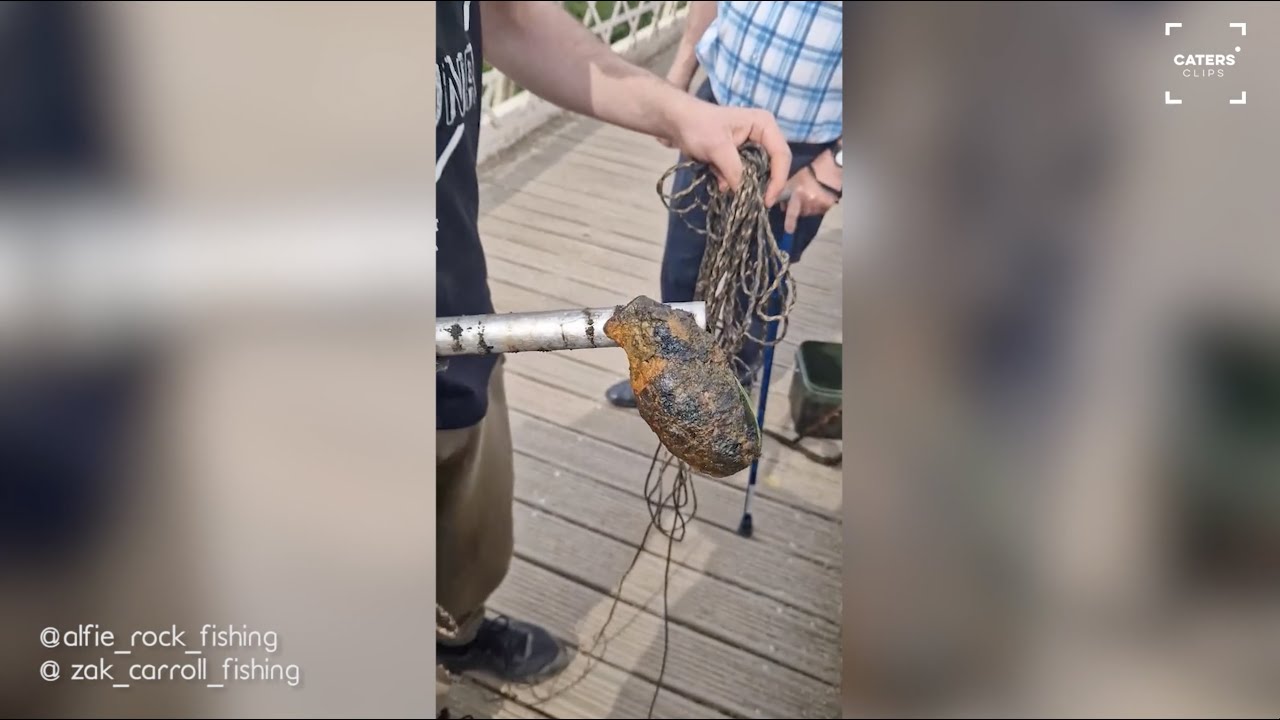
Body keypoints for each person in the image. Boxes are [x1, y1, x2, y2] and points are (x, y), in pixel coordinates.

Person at [435, 0, 792, 687]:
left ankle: (457, 627)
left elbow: (506, 16)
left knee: (464, 480)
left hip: (452, 300)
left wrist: (679, 110)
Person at [605, 0, 844, 408]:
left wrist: (837, 167)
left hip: (803, 152)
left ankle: (730, 390)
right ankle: (669, 376)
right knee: (682, 265)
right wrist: (680, 71)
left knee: (758, 284)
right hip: (713, 115)